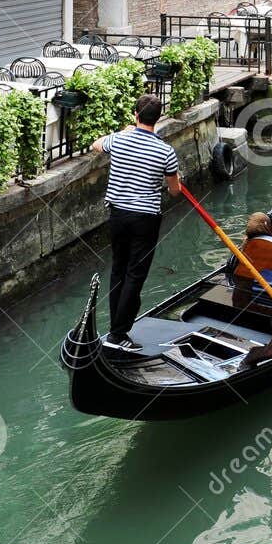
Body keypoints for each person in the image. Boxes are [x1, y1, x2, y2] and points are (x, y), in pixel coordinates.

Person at [93, 94, 181, 355]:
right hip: (145, 218)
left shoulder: (118, 140)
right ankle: (118, 334)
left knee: (119, 270)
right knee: (135, 273)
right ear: (158, 118)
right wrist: (174, 179)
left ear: (136, 115)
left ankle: (116, 330)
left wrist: (124, 131)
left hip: (118, 215)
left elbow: (96, 145)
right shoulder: (166, 151)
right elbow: (175, 190)